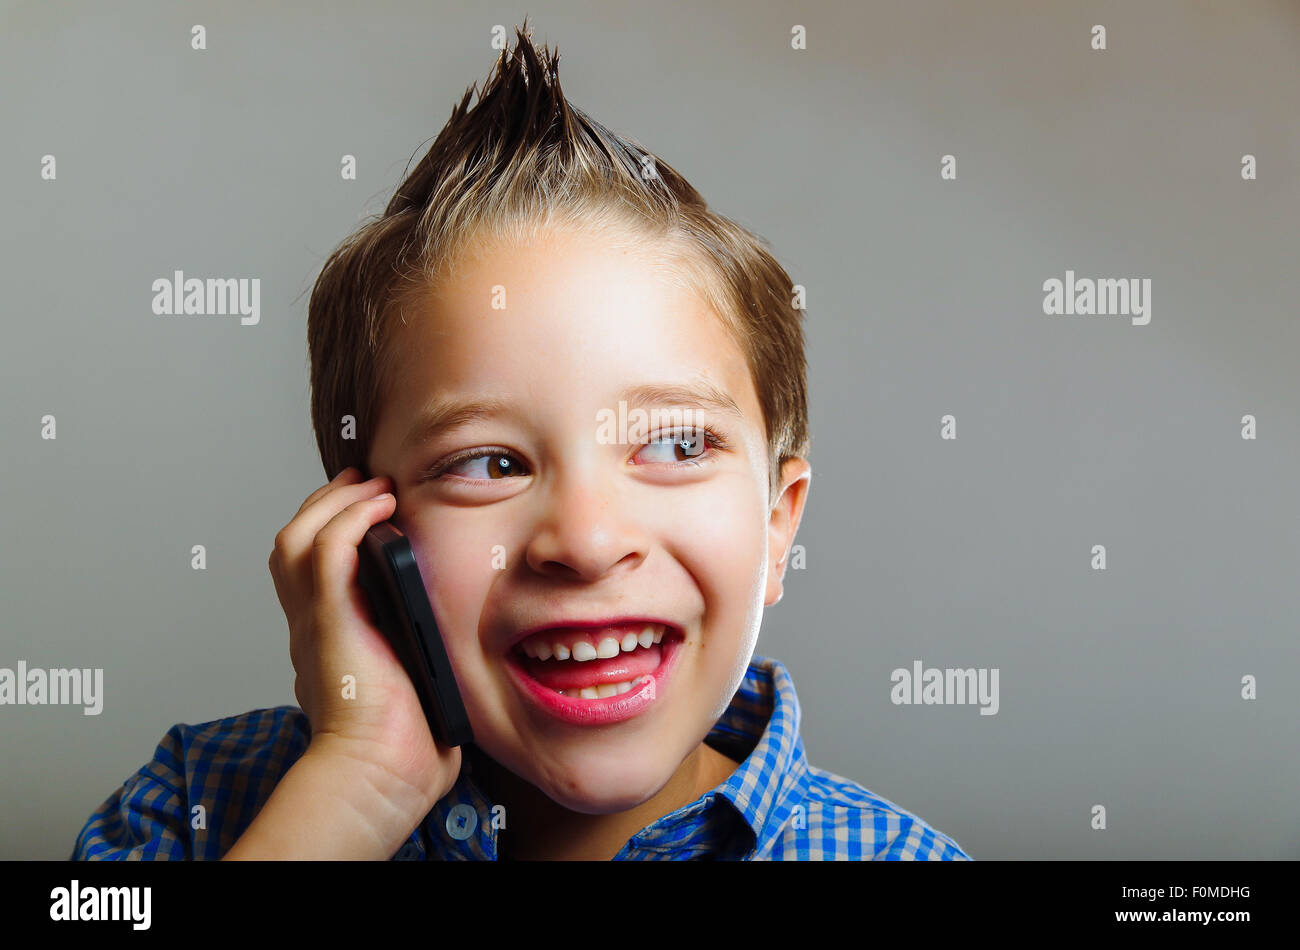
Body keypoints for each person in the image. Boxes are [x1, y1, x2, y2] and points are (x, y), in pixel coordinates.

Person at [72, 22, 970, 861]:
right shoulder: (190, 807)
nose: (583, 542)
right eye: (489, 463)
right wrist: (353, 794)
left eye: (675, 446)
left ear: (777, 527)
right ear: (364, 542)